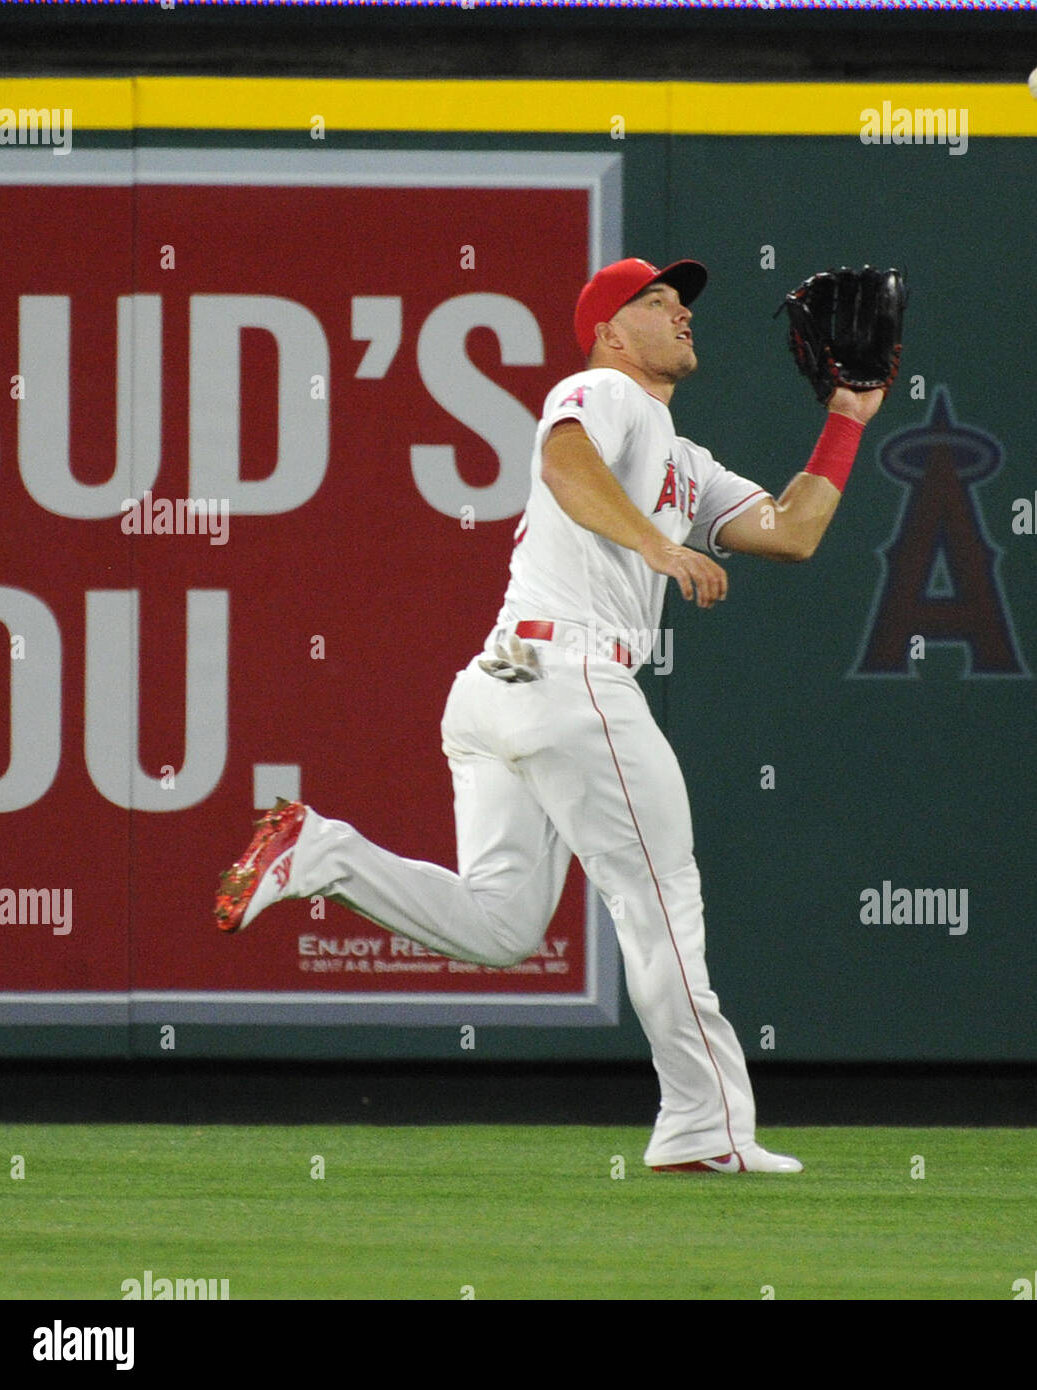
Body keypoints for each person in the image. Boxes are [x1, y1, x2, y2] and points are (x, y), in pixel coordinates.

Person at [216, 256, 884, 1174]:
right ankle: (705, 1125)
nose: (681, 312)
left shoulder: (679, 458)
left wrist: (844, 419)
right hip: (570, 677)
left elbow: (792, 532)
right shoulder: (604, 392)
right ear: (610, 329)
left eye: (683, 300)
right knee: (659, 899)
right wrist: (656, 545)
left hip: (498, 686)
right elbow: (562, 460)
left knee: (501, 925)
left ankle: (322, 852)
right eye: (656, 300)